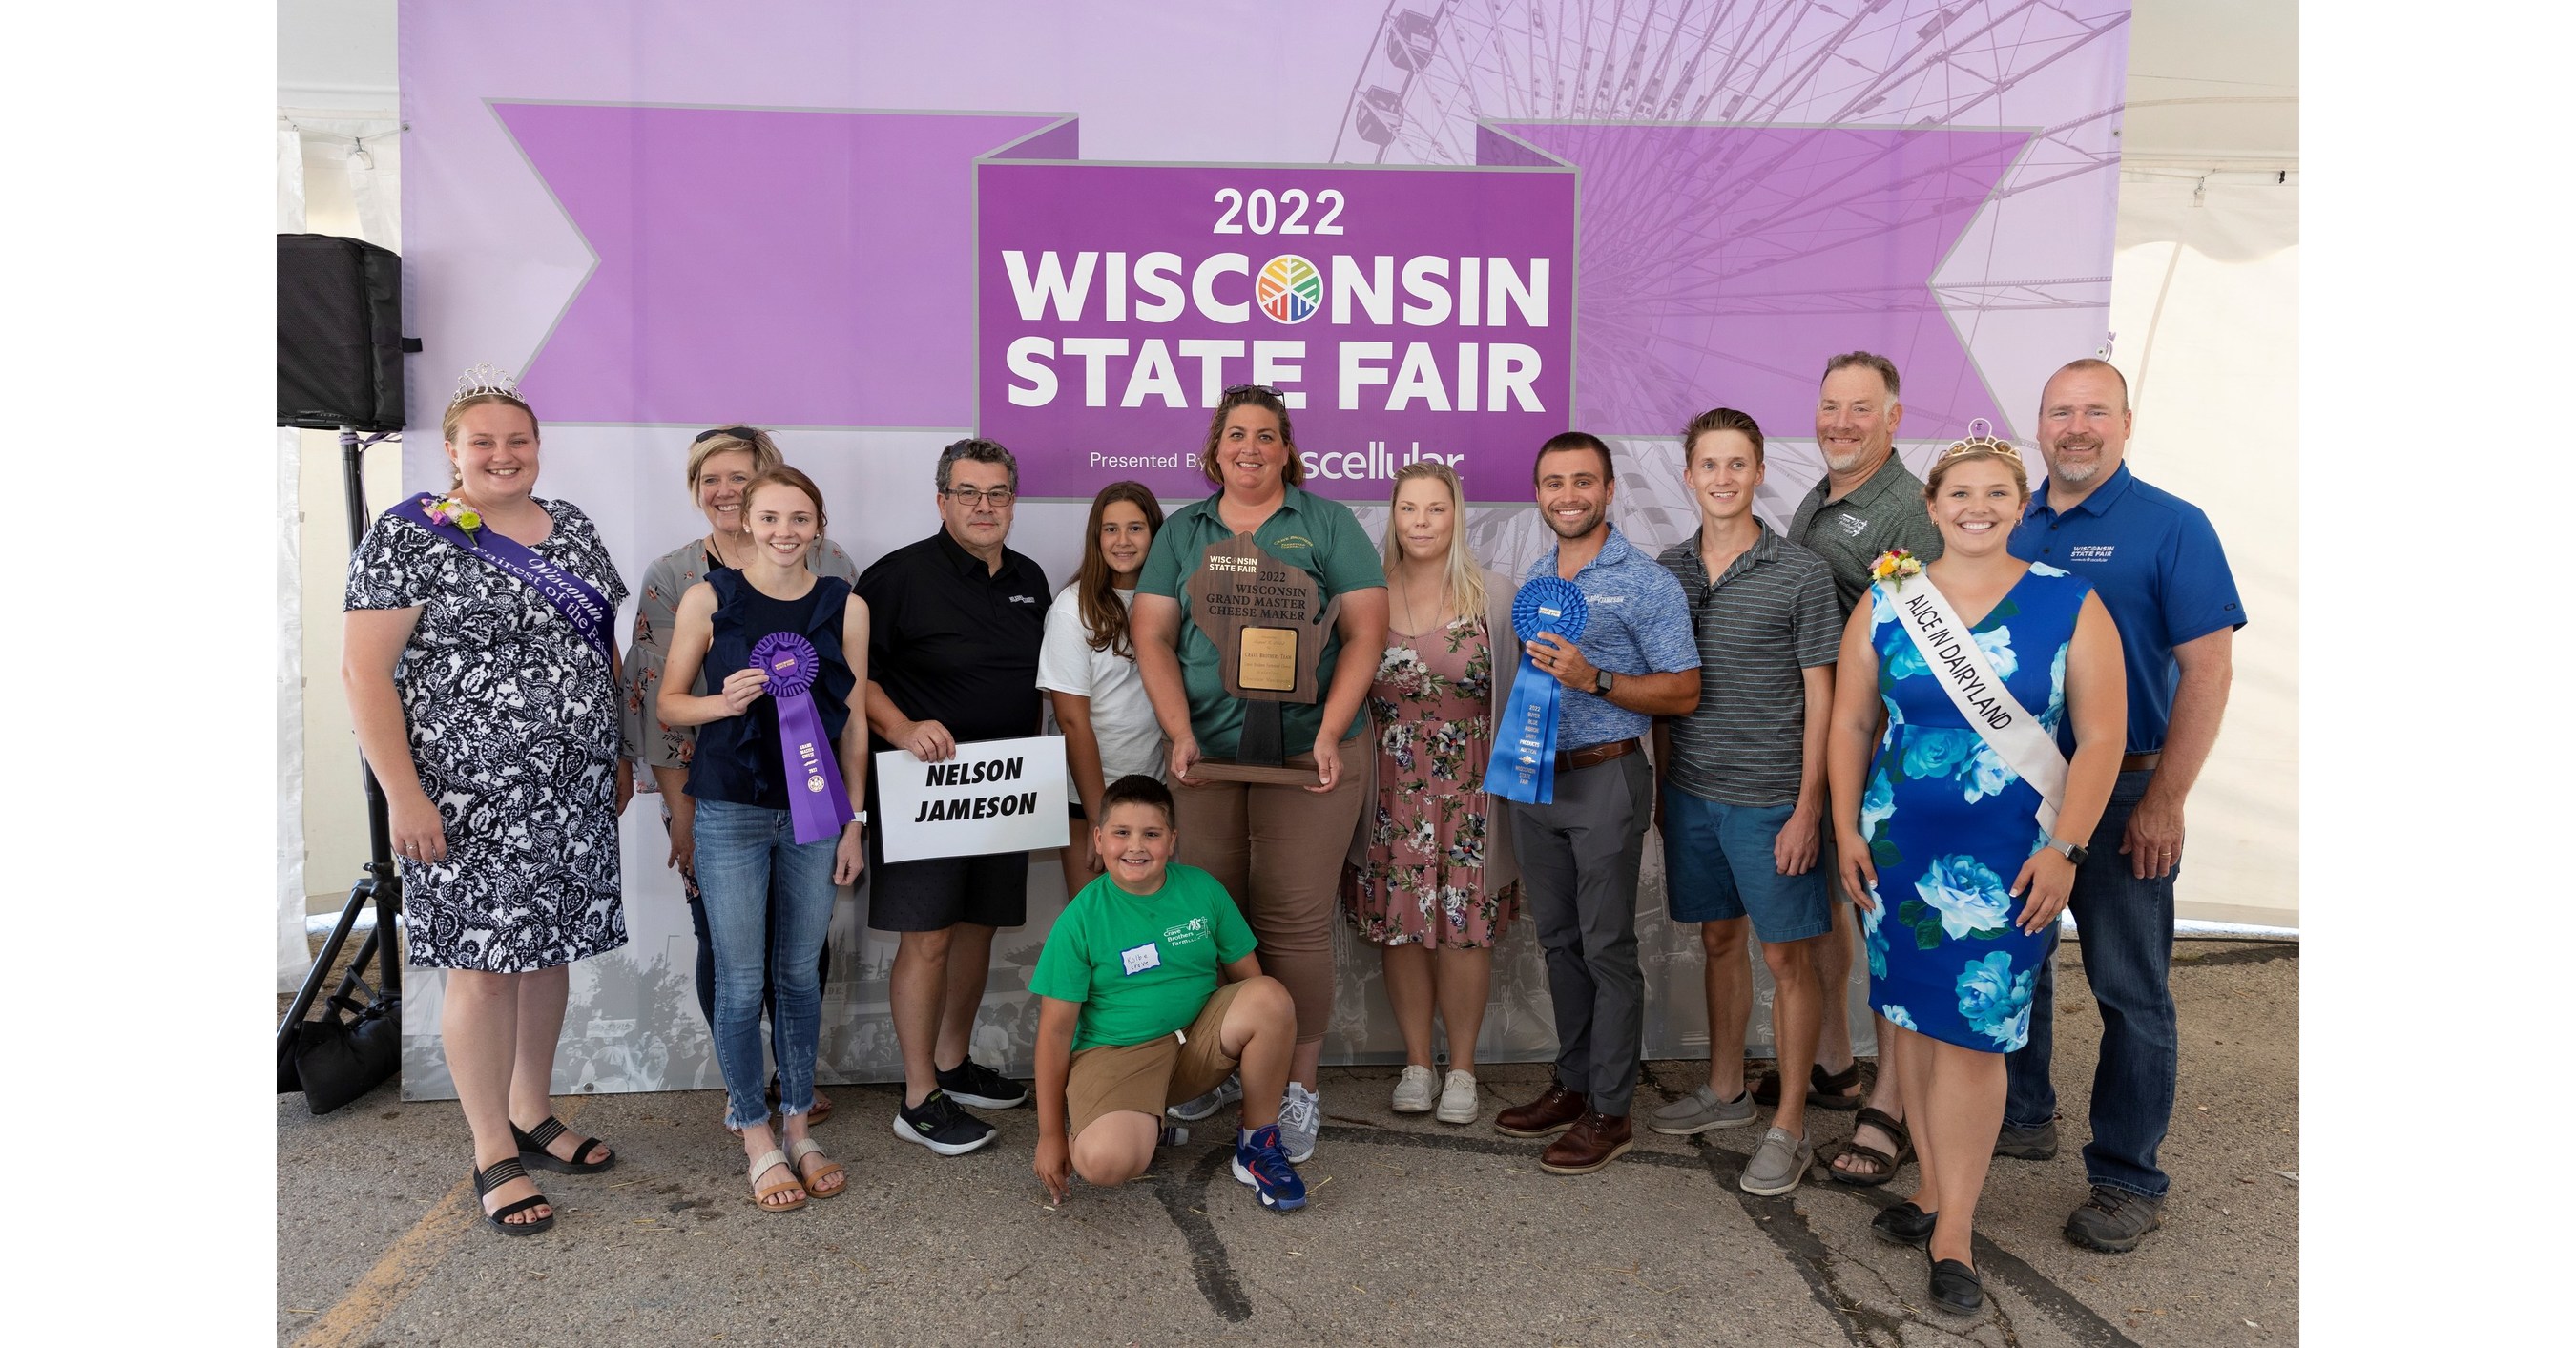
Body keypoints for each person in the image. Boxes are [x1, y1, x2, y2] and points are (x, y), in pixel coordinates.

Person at [1824, 434, 2125, 1314]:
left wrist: (2065, 847)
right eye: (1962, 491)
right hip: (1897, 851)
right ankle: (1927, 1192)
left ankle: (1954, 1230)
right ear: (1933, 501)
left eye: (1998, 492)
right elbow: (1850, 723)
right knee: (1912, 1020)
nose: (1978, 506)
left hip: (2013, 858)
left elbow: (2101, 736)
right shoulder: (1890, 600)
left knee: (1976, 1034)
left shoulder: (2071, 603)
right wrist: (1845, 825)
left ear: (2020, 502)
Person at [342, 367, 631, 1235]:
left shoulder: (571, 526)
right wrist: (404, 794)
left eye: (519, 440)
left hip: (569, 792)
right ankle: (489, 1150)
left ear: (537, 447)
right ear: (453, 452)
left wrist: (613, 750)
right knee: (484, 971)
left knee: (547, 955)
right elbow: (365, 673)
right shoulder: (409, 536)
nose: (504, 455)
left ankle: (532, 1112)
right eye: (485, 442)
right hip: (464, 801)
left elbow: (600, 650)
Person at [2000, 358, 2245, 1253]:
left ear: (2127, 423)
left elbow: (2209, 671)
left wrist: (2166, 799)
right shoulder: (2006, 521)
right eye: (2060, 411)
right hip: (2019, 786)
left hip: (2127, 787)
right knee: (2015, 961)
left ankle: (2127, 1174)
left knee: (2129, 986)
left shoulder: (2173, 526)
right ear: (2039, 424)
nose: (2076, 427)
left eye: (2094, 411)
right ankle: (2022, 1115)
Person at [1132, 385, 1389, 1164]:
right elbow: (1152, 635)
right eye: (1236, 434)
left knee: (1293, 921)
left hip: (1310, 754)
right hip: (1205, 757)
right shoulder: (1183, 530)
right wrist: (1177, 732)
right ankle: (1217, 1059)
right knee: (1209, 920)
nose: (1251, 447)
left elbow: (1365, 630)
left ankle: (1297, 1085)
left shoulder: (1326, 523)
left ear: (1287, 448)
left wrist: (1335, 730)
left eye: (1267, 435)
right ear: (1215, 449)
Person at [622, 425, 863, 1128]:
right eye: (715, 481)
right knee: (733, 964)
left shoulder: (842, 590)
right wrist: (684, 800)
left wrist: (854, 819)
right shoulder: (689, 585)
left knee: (797, 967)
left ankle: (796, 1104)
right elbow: (659, 698)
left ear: (816, 522)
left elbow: (852, 712)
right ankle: (748, 1112)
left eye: (797, 517)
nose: (780, 528)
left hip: (813, 806)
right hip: (723, 798)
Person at [1643, 409, 1844, 1194]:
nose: (1723, 479)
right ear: (1688, 474)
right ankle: (1725, 1087)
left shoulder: (1801, 574)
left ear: (1760, 472)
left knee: (1785, 958)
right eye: (1709, 465)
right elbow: (1664, 692)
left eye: (1738, 464)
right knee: (1720, 943)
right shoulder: (1668, 570)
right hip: (1693, 793)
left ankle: (1790, 1122)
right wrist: (1664, 787)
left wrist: (1808, 807)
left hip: (1771, 802)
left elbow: (1822, 700)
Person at [1490, 432, 1701, 1175]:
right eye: (1553, 482)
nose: (1568, 494)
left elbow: (1684, 687)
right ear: (1539, 493)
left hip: (1607, 777)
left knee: (1607, 945)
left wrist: (1598, 680)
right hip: (1537, 778)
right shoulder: (1538, 576)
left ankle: (1612, 1111)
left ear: (1610, 489)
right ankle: (1574, 1082)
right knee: (1558, 940)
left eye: (1583, 481)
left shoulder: (1645, 581)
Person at [859, 438, 1050, 1155]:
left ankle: (953, 1062)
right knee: (930, 936)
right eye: (968, 492)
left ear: (1012, 500)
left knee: (978, 928)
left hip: (1004, 789)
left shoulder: (1030, 577)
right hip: (922, 789)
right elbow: (854, 675)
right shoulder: (898, 577)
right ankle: (918, 1098)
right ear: (941, 499)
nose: (984, 505)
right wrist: (902, 726)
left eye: (997, 492)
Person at [1785, 351, 1946, 1186]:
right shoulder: (1826, 492)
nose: (1840, 423)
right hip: (1831, 741)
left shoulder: (1910, 513)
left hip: (1886, 753)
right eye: (1829, 406)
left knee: (1888, 928)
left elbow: (1927, 658)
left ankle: (1889, 1106)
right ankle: (1838, 1067)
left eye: (1860, 409)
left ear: (1895, 417)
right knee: (1836, 912)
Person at [1029, 775, 1308, 1213]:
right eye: (1121, 833)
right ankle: (1140, 1125)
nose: (1135, 846)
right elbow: (1054, 1033)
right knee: (1103, 1164)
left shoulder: (1202, 889)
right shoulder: (1080, 918)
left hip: (1194, 1044)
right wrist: (1048, 1135)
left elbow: (1249, 984)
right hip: (1117, 1055)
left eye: (1151, 834)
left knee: (1270, 997)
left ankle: (1258, 1145)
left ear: (1172, 841)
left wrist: (1254, 1053)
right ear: (1099, 839)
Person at [1340, 462, 1521, 1125]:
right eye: (1409, 508)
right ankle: (1418, 1063)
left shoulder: (1495, 596)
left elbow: (1528, 699)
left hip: (1473, 792)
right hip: (1390, 791)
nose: (1421, 522)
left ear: (1457, 514)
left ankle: (1464, 1070)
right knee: (1403, 930)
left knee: (1464, 934)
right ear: (1393, 514)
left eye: (1435, 509)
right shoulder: (1366, 596)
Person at [1038, 482, 1171, 903]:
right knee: (1097, 929)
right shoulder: (1072, 607)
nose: (1123, 541)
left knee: (1151, 927)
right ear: (1096, 537)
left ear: (1156, 533)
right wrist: (1102, 816)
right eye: (1111, 529)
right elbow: (1072, 719)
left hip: (1161, 794)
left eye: (1136, 528)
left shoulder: (1175, 601)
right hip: (1091, 798)